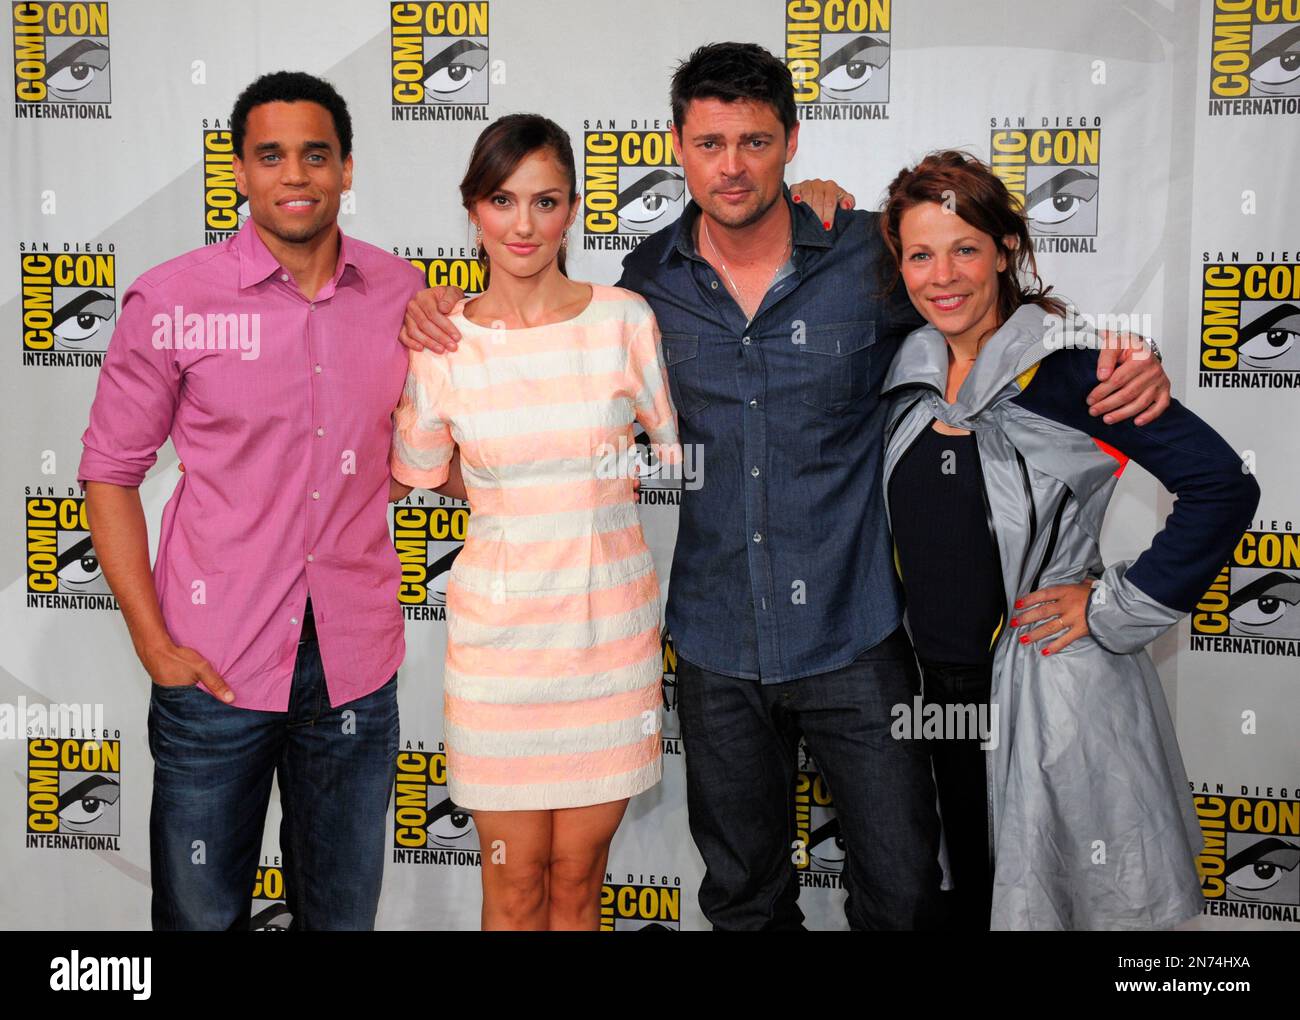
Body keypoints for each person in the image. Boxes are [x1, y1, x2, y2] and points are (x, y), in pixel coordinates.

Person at [398, 43, 1175, 930]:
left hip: (857, 635)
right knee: (744, 899)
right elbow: (540, 399)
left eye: (756, 142)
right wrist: (421, 310)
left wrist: (1121, 355)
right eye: (711, 143)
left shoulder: (870, 254)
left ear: (793, 142)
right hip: (716, 643)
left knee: (904, 892)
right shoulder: (646, 289)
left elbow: (982, 307)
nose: (732, 166)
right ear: (678, 147)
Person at [77, 71, 444, 930]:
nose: (295, 176)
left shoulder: (404, 296)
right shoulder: (173, 301)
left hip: (354, 672)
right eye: (271, 155)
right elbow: (108, 474)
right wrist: (153, 643)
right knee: (199, 919)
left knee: (343, 917)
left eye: (316, 155)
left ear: (347, 169)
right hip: (215, 668)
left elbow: (450, 435)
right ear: (239, 171)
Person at [879, 149, 1260, 929]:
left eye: (965, 249)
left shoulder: (1072, 371)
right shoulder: (907, 370)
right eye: (920, 253)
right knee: (969, 897)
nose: (942, 275)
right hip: (935, 698)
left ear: (1007, 250)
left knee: (1059, 904)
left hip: (1051, 690)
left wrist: (1112, 606)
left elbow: (1223, 485)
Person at [388, 113, 681, 931]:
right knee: (514, 890)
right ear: (473, 210)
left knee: (579, 883)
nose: (524, 225)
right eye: (502, 200)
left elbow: (666, 453)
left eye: (546, 202)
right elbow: (417, 473)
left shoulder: (624, 320)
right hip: (500, 651)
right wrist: (496, 483)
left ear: (574, 209)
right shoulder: (443, 343)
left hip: (607, 639)